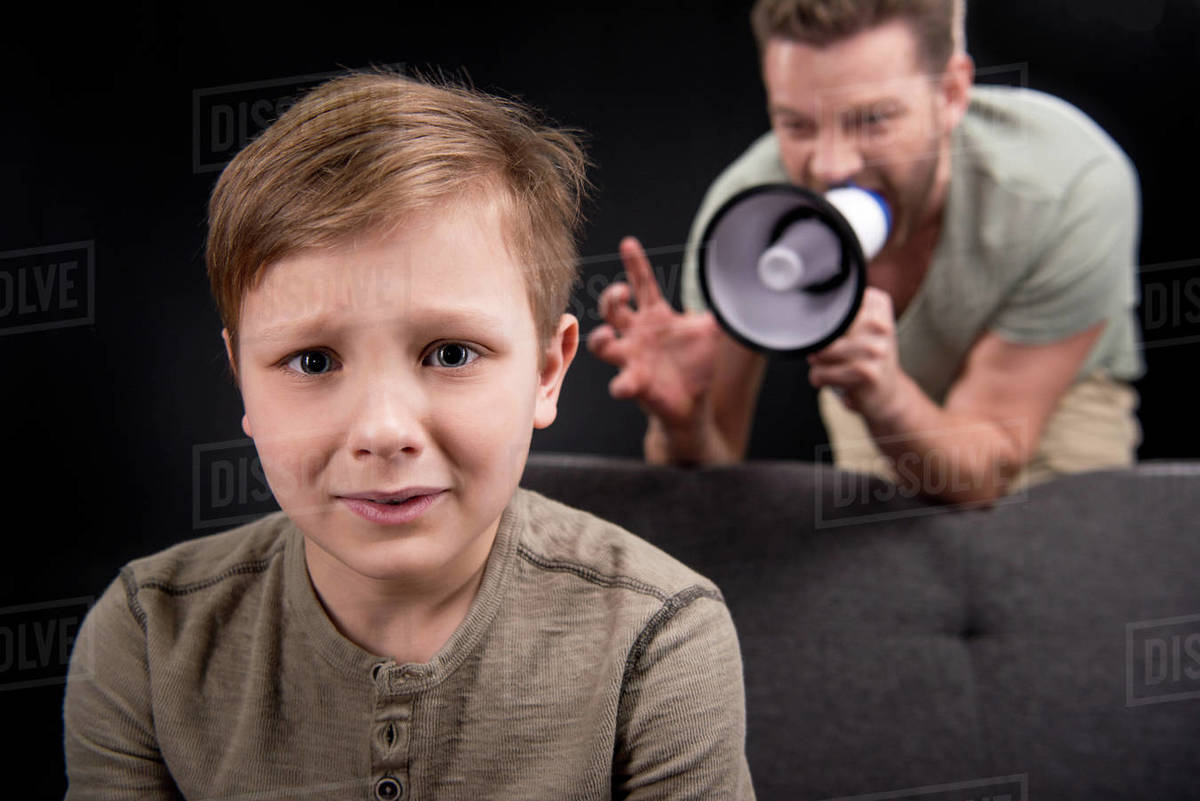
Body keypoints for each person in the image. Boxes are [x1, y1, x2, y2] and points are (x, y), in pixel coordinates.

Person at [62, 72, 754, 800]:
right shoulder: (146, 638)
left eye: (450, 353)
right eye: (313, 361)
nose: (384, 431)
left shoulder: (659, 640)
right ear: (241, 380)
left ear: (547, 371)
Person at [588, 0, 1144, 505]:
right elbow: (711, 475)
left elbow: (987, 470)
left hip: (1050, 406)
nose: (832, 166)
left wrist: (891, 400)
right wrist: (682, 425)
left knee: (1062, 562)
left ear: (951, 94)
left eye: (872, 120)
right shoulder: (747, 215)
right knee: (885, 556)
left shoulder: (1067, 186)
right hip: (872, 385)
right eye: (797, 124)